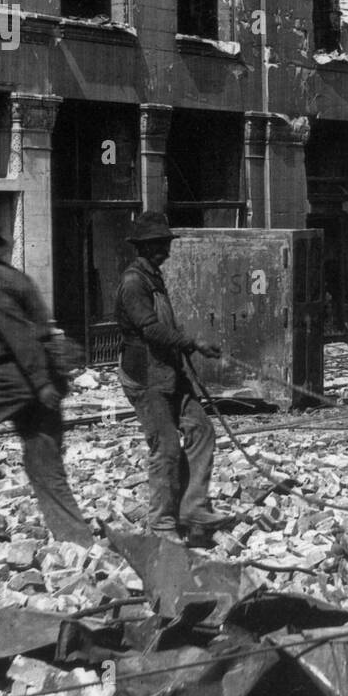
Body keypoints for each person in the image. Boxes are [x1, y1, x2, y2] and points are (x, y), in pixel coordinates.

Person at [0, 216, 93, 545]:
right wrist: (47, 380)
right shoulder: (14, 276)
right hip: (42, 372)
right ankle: (77, 540)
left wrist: (39, 382)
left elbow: (18, 332)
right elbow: (38, 328)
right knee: (44, 463)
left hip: (19, 375)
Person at [115, 212, 223, 543]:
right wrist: (192, 343)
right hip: (146, 378)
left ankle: (192, 509)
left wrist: (183, 354)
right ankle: (161, 525)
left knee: (202, 430)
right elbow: (150, 329)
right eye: (160, 245)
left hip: (168, 372)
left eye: (166, 244)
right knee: (166, 449)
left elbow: (163, 328)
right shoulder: (134, 283)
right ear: (144, 247)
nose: (166, 250)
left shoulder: (153, 277)